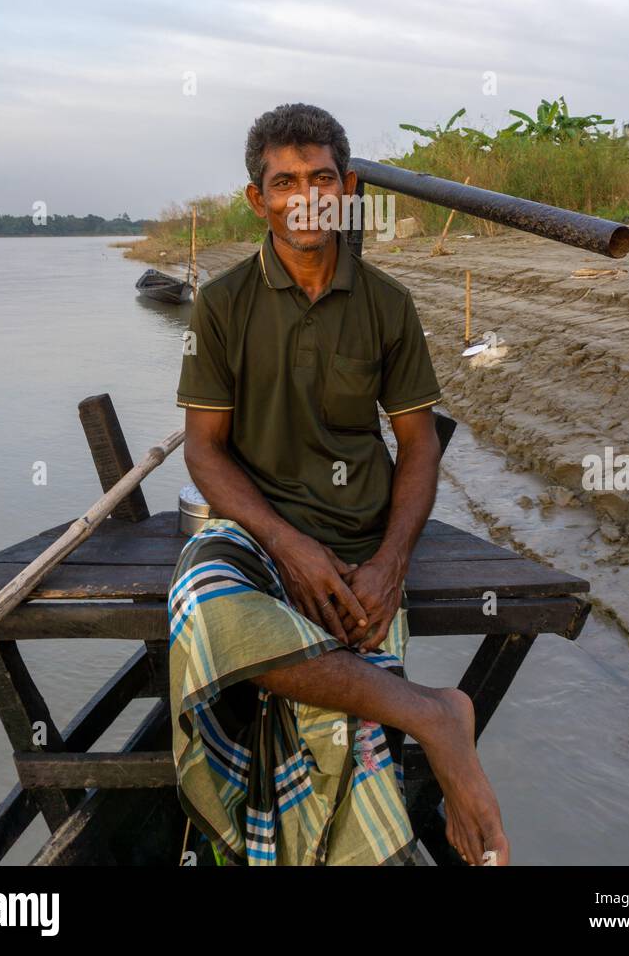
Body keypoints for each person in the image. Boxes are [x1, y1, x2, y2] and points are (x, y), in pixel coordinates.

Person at [168, 102, 509, 867]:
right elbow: (204, 453)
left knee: (341, 717)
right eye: (285, 182)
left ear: (347, 189)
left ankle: (414, 730)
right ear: (259, 200)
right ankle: (434, 714)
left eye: (321, 177)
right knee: (198, 605)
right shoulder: (220, 305)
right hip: (254, 533)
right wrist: (285, 546)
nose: (307, 196)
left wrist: (390, 562)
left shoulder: (388, 303)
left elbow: (418, 445)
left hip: (360, 536)